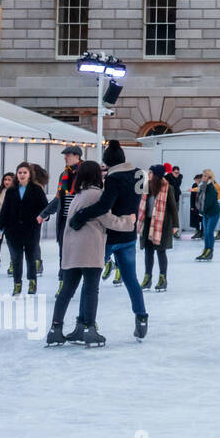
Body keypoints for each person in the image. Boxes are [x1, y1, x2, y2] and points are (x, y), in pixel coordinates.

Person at [47, 161, 136, 347]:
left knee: (67, 290)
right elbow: (107, 219)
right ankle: (89, 330)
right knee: (90, 289)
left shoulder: (77, 194)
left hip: (71, 249)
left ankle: (55, 329)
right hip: (89, 249)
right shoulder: (97, 195)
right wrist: (129, 221)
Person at [70, 140, 149, 339]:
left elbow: (104, 206)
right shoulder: (140, 173)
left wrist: (80, 216)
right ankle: (141, 317)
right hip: (129, 234)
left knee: (91, 281)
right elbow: (140, 200)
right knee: (131, 279)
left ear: (107, 162)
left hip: (110, 236)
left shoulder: (114, 179)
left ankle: (83, 322)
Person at [0, 162, 48, 295]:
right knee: (16, 258)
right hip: (13, 230)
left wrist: (43, 217)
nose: (22, 175)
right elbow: (5, 211)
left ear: (30, 174)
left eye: (25, 172)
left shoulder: (36, 189)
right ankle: (17, 284)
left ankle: (32, 282)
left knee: (31, 258)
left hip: (31, 230)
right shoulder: (11, 191)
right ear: (16, 175)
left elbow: (45, 207)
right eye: (20, 173)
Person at [138, 165, 179, 291]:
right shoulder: (146, 188)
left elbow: (173, 207)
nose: (148, 175)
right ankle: (147, 278)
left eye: (150, 173)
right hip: (148, 224)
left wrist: (175, 225)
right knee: (148, 252)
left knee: (161, 252)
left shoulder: (168, 188)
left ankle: (162, 278)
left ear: (157, 175)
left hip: (162, 225)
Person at [36, 145, 82, 259]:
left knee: (78, 249)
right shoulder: (64, 175)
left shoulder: (85, 173)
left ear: (77, 156)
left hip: (79, 218)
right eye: (65, 155)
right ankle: (63, 273)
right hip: (64, 218)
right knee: (63, 246)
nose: (65, 158)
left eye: (68, 155)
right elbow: (58, 199)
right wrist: (43, 214)